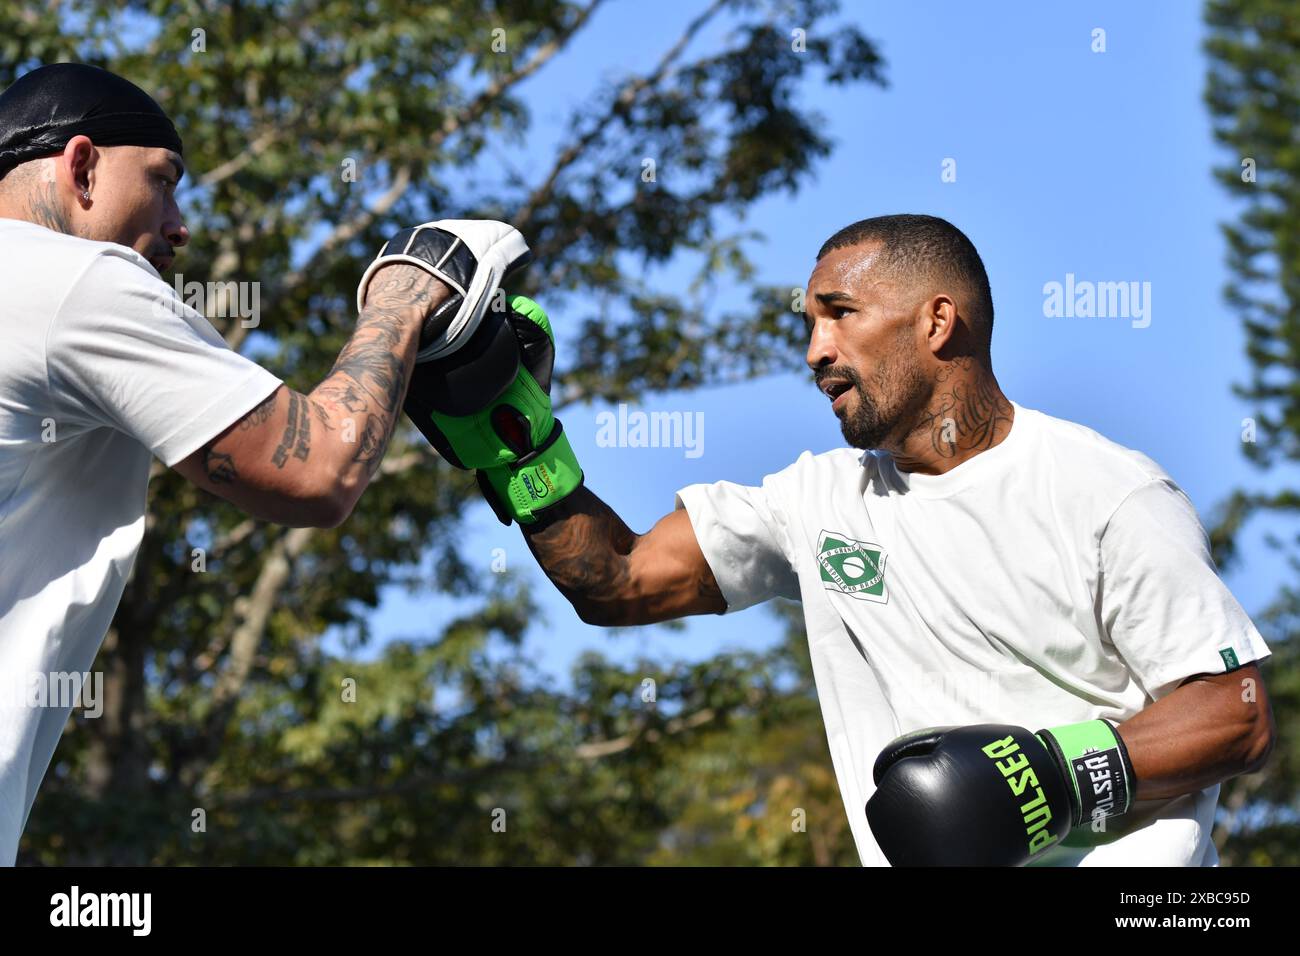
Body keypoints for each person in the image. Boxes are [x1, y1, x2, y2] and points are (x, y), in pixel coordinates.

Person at [426, 213, 1276, 865]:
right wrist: (520, 444)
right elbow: (619, 580)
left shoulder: (1108, 492)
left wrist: (1048, 780)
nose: (814, 351)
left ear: (938, 323)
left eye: (839, 315)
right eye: (806, 323)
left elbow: (1235, 716)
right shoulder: (818, 500)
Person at [0, 62, 525, 865]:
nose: (179, 226)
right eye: (164, 182)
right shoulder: (70, 279)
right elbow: (317, 469)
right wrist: (408, 294)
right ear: (81, 166)